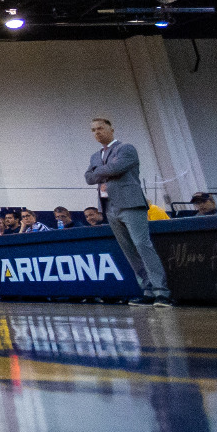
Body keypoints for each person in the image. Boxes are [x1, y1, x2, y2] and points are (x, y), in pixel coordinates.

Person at [85, 117, 171, 305]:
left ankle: (161, 291)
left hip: (130, 204)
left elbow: (116, 167)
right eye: (93, 130)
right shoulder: (95, 156)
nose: (96, 132)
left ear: (111, 129)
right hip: (109, 207)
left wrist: (99, 170)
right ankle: (147, 291)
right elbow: (88, 178)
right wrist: (104, 170)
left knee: (142, 245)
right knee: (129, 251)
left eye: (100, 128)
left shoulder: (126, 148)